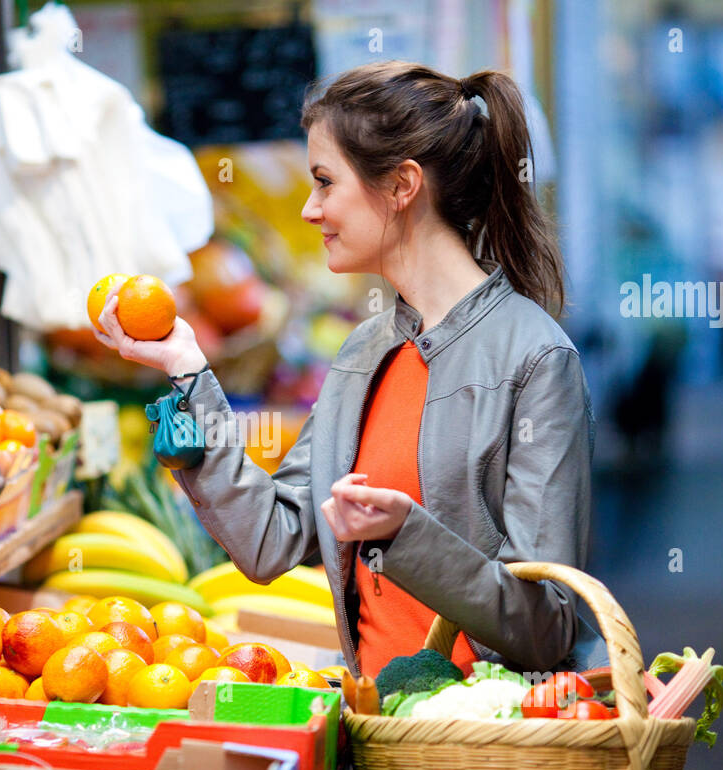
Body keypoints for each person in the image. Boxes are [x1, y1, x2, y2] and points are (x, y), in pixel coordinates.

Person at [93, 62, 596, 680]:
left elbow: (545, 624)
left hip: (478, 754)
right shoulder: (364, 352)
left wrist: (404, 535)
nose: (310, 209)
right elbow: (271, 538)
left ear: (401, 185)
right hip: (374, 740)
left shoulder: (536, 360)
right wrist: (189, 372)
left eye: (325, 182)